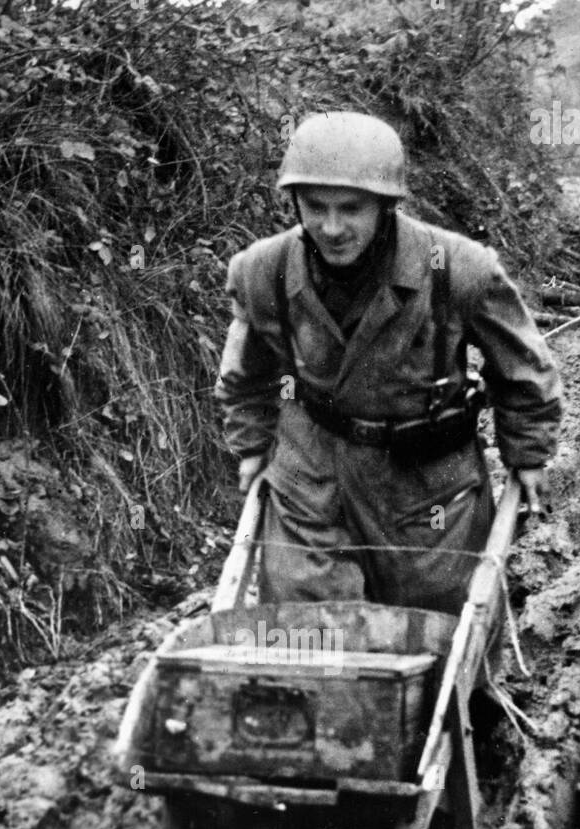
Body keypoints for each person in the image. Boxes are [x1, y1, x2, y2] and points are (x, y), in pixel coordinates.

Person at [214, 110, 562, 617]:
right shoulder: (262, 272)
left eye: (351, 208)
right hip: (311, 471)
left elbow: (522, 367)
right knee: (305, 624)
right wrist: (250, 446)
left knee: (433, 628)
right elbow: (246, 374)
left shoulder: (458, 269)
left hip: (427, 484)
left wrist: (527, 453)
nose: (332, 228)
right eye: (315, 207)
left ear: (386, 205)